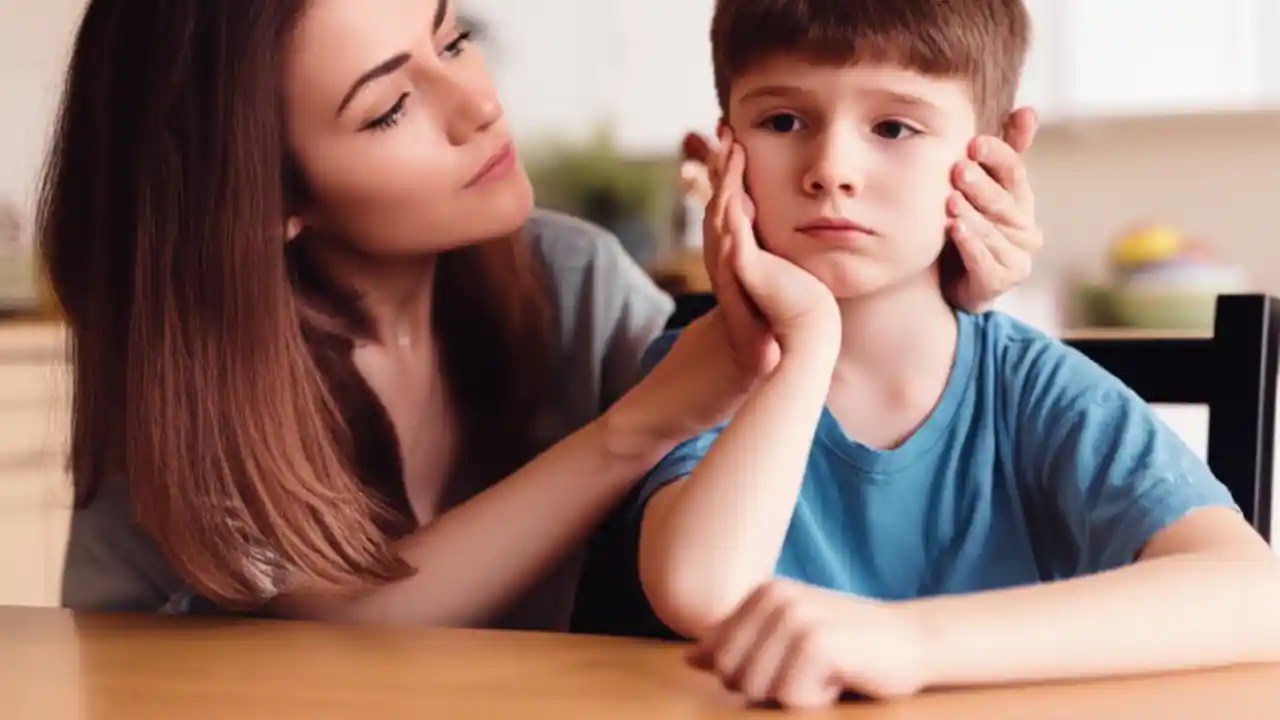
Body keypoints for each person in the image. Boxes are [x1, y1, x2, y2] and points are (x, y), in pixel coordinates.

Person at [44, 0, 1040, 630]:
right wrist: (638, 424)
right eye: (388, 109)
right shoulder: (193, 370)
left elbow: (794, 480)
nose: (477, 103)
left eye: (451, 38)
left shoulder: (570, 278)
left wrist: (920, 299)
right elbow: (341, 629)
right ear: (261, 202)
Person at [624, 0, 1280, 707]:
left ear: (988, 161)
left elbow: (1255, 595)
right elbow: (701, 589)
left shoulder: (1031, 389)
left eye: (894, 127)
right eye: (784, 122)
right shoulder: (700, 370)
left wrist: (905, 642)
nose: (831, 170)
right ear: (727, 155)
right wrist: (809, 339)